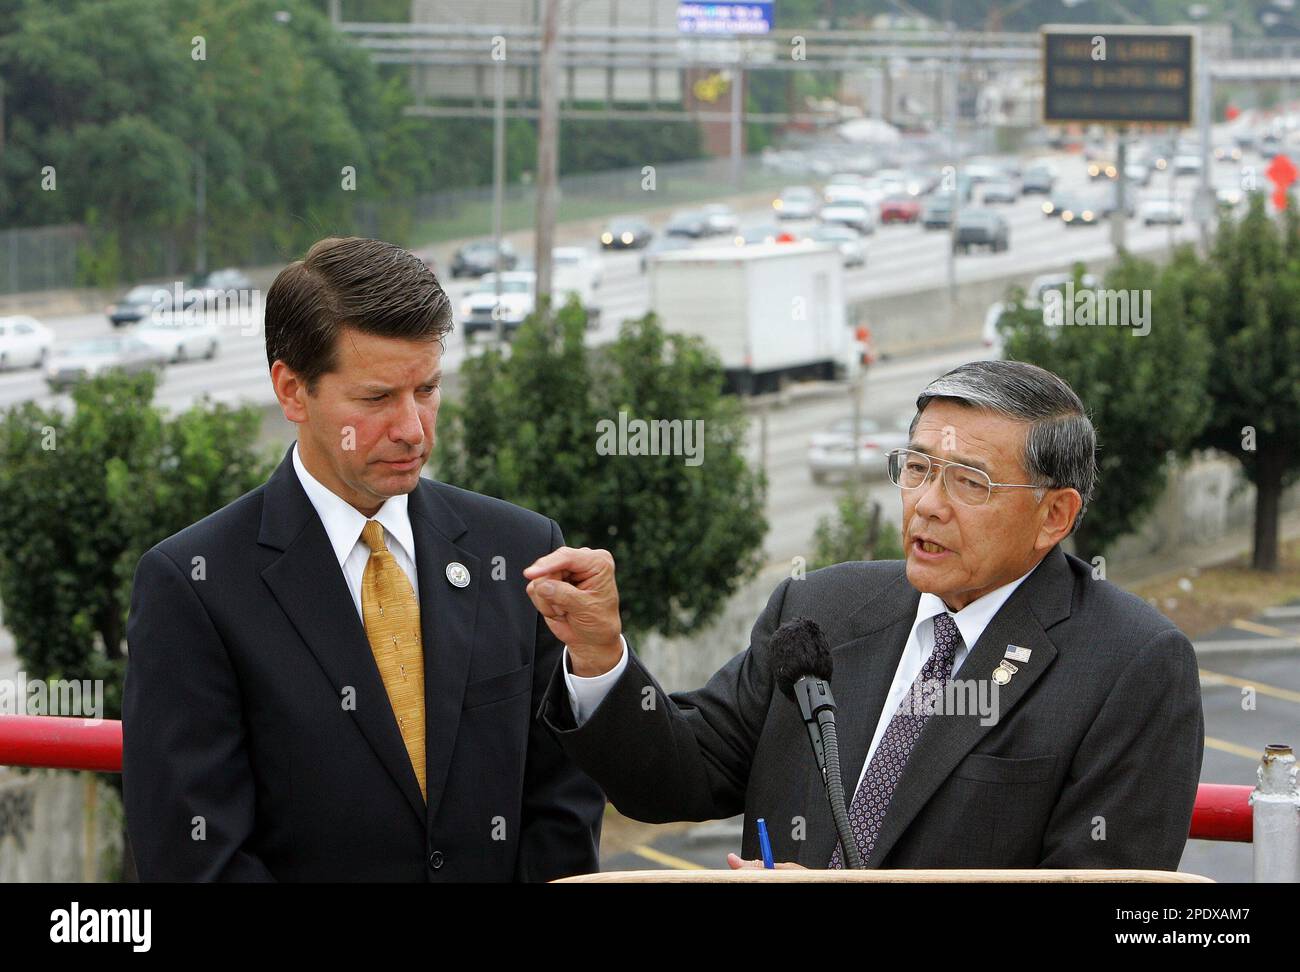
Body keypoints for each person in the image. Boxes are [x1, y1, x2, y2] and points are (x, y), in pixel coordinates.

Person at [527, 360, 1204, 871]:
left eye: (968, 482)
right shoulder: (821, 609)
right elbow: (678, 777)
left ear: (1053, 515)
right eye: (916, 467)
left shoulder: (1131, 664)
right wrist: (600, 656)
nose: (927, 504)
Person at [123, 236, 603, 881]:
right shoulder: (194, 587)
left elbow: (561, 804)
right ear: (292, 391)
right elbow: (196, 856)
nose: (412, 428)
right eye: (376, 399)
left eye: (427, 390)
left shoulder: (520, 551)